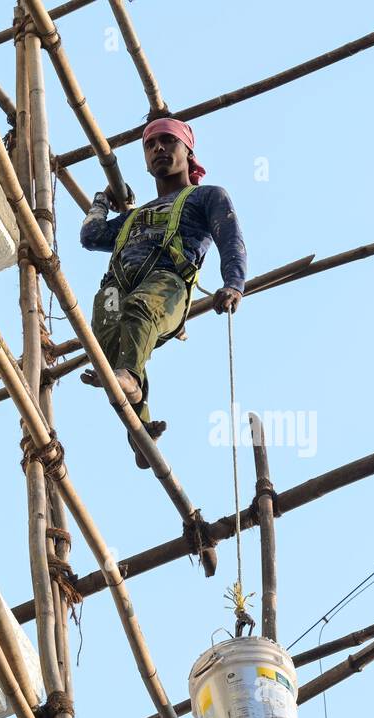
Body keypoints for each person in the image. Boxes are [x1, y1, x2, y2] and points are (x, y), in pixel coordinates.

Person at [80, 117, 247, 468]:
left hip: (167, 283)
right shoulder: (132, 217)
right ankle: (140, 431)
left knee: (140, 310)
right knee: (108, 338)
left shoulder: (205, 196)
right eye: (151, 144)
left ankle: (130, 378)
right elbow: (91, 236)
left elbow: (230, 239)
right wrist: (101, 201)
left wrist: (233, 284)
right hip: (117, 285)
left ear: (188, 152)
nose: (159, 149)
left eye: (168, 142)